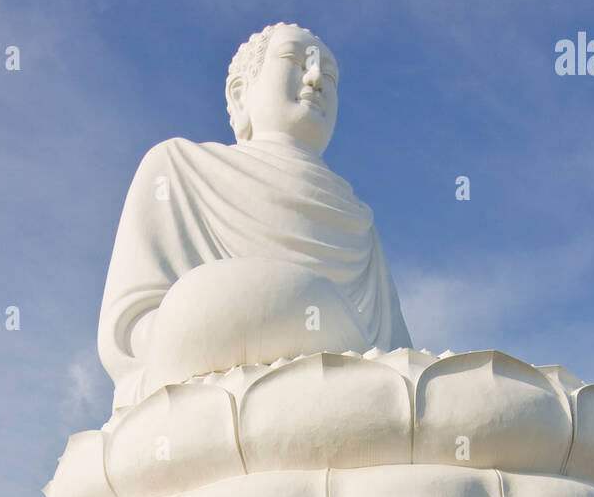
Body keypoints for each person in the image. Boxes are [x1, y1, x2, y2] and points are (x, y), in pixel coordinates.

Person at [98, 23, 411, 410]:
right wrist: (240, 313)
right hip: (208, 389)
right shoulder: (178, 165)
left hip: (355, 396)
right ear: (240, 92)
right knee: (201, 302)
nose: (315, 79)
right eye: (295, 61)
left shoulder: (359, 219)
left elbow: (398, 357)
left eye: (329, 75)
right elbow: (131, 335)